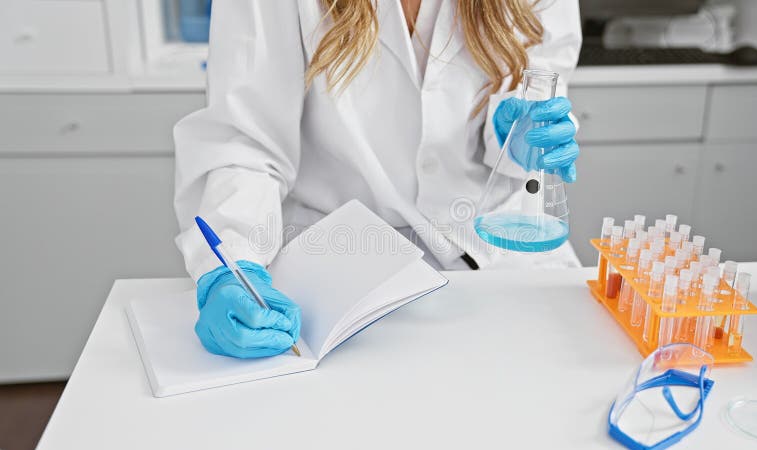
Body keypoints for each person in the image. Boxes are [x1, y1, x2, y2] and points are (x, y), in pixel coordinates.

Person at [174, 0, 583, 358]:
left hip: (497, 255)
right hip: (341, 268)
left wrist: (518, 137)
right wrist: (233, 261)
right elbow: (247, 138)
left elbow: (539, 83)